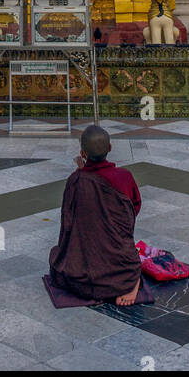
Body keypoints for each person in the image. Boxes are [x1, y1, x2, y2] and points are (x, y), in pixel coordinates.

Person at [49, 124, 143, 306]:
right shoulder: (124, 176)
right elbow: (133, 211)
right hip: (122, 271)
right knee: (129, 254)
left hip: (80, 278)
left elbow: (68, 223)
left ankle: (115, 281)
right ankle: (132, 281)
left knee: (57, 258)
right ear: (110, 148)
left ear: (82, 153)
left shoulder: (75, 181)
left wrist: (81, 173)